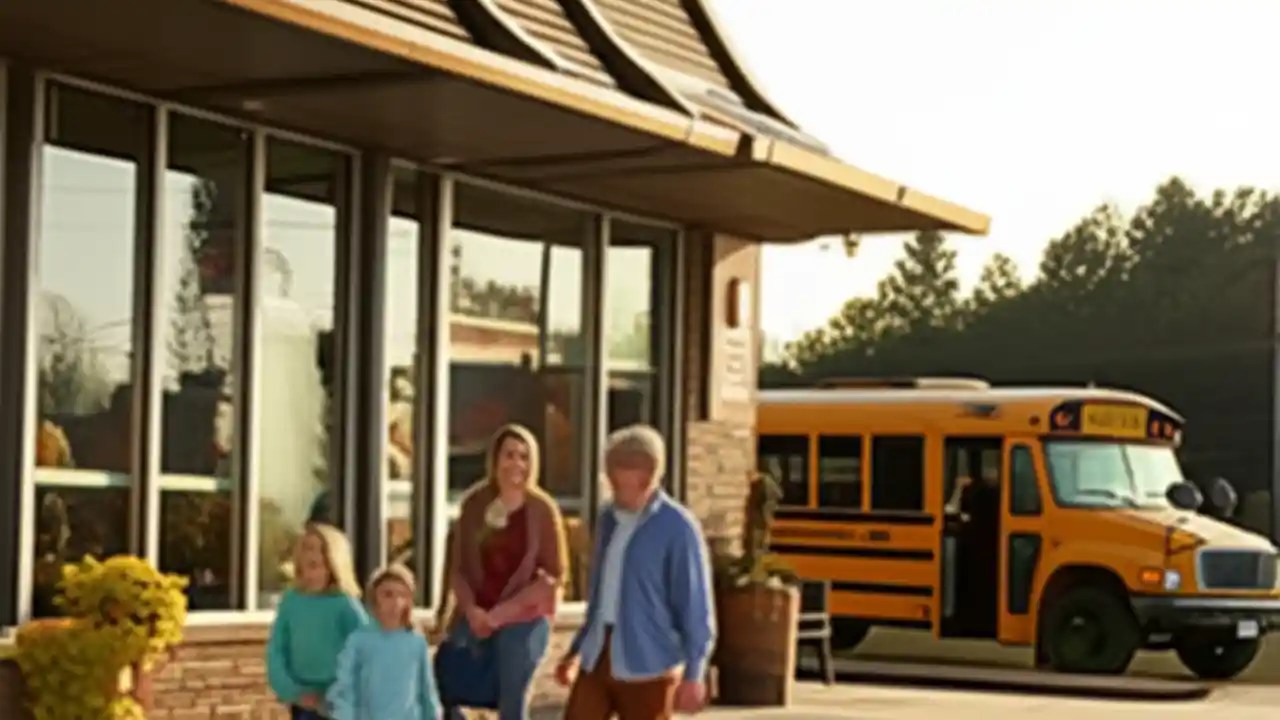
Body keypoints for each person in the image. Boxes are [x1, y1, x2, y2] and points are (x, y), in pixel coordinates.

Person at [557, 424, 715, 720]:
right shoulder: (607, 519)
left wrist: (695, 672)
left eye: (628, 477)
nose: (619, 487)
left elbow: (695, 604)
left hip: (650, 663)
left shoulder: (678, 528)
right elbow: (600, 594)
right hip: (599, 654)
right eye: (614, 476)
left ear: (650, 475)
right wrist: (574, 651)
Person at [441, 423, 569, 719]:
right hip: (477, 612)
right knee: (446, 677)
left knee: (512, 690)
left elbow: (553, 578)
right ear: (495, 460)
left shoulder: (542, 510)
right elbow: (457, 569)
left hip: (524, 616)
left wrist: (501, 616)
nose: (516, 463)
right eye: (509, 455)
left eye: (524, 456)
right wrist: (471, 610)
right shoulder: (474, 504)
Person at [267, 523, 369, 719]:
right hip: (302, 700)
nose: (313, 555)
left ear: (334, 558)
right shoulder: (291, 601)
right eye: (307, 548)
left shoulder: (344, 604)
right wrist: (291, 691)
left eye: (321, 549)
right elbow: (277, 650)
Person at [328, 564, 441, 720]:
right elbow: (345, 687)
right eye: (388, 594)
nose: (396, 602)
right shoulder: (359, 641)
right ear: (375, 598)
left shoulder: (416, 642)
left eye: (402, 595)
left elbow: (427, 690)